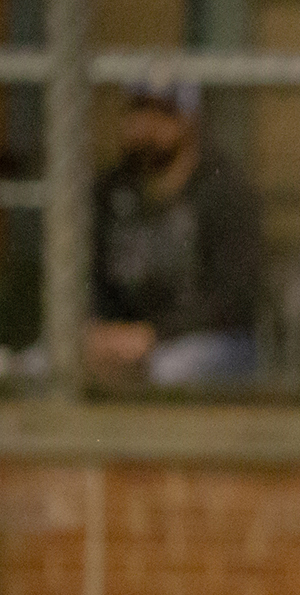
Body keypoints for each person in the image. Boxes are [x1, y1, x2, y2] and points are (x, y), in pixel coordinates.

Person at [82, 80, 262, 386]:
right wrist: (105, 332)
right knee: (42, 365)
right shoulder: (110, 190)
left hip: (206, 339)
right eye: (139, 110)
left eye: (163, 113)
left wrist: (152, 335)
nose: (147, 126)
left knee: (167, 372)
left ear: (189, 120)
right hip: (124, 340)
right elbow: (91, 280)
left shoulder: (224, 191)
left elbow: (234, 299)